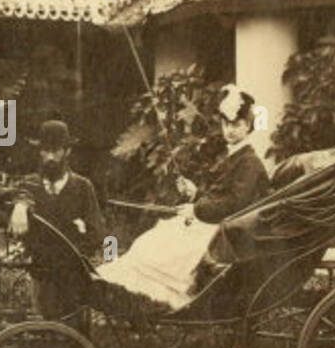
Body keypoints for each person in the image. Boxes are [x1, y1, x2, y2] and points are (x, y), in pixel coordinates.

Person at [95, 85, 270, 310]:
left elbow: (235, 203)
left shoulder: (249, 162)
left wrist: (196, 210)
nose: (230, 130)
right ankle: (128, 292)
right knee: (150, 241)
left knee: (159, 245)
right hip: (215, 224)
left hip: (227, 232)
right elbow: (220, 194)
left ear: (248, 127)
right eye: (226, 124)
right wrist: (195, 193)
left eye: (237, 125)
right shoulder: (234, 156)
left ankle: (170, 301)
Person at [7, 120, 105, 324]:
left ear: (67, 151)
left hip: (74, 278)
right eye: (45, 151)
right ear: (39, 152)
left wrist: (74, 257)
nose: (50, 157)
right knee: (45, 335)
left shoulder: (82, 187)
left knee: (76, 339)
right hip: (42, 278)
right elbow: (14, 200)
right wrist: (20, 205)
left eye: (56, 150)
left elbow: (97, 233)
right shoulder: (29, 186)